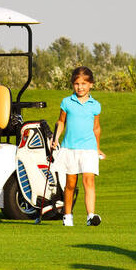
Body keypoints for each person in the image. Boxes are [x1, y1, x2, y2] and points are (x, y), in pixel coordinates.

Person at [51, 67, 104, 227]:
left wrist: (98, 148)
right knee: (70, 184)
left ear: (91, 84)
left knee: (89, 181)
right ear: (73, 85)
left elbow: (96, 128)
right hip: (70, 148)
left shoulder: (95, 105)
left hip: (88, 149)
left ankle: (91, 216)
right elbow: (61, 122)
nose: (80, 87)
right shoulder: (67, 102)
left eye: (84, 83)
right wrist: (56, 138)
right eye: (76, 83)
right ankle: (67, 216)